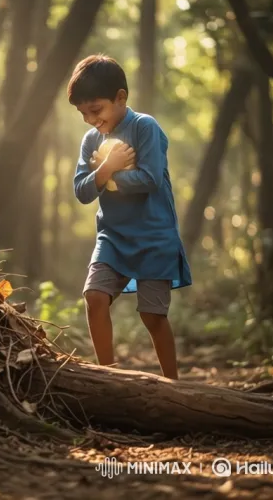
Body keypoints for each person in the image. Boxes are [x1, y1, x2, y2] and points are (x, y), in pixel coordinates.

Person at [69, 54, 192, 379]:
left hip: (154, 236)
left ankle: (172, 386)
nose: (90, 119)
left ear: (121, 97)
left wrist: (107, 179)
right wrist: (107, 168)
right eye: (83, 113)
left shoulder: (144, 127)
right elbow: (82, 191)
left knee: (152, 316)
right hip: (112, 236)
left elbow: (150, 179)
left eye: (96, 110)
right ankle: (108, 376)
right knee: (94, 297)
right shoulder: (91, 140)